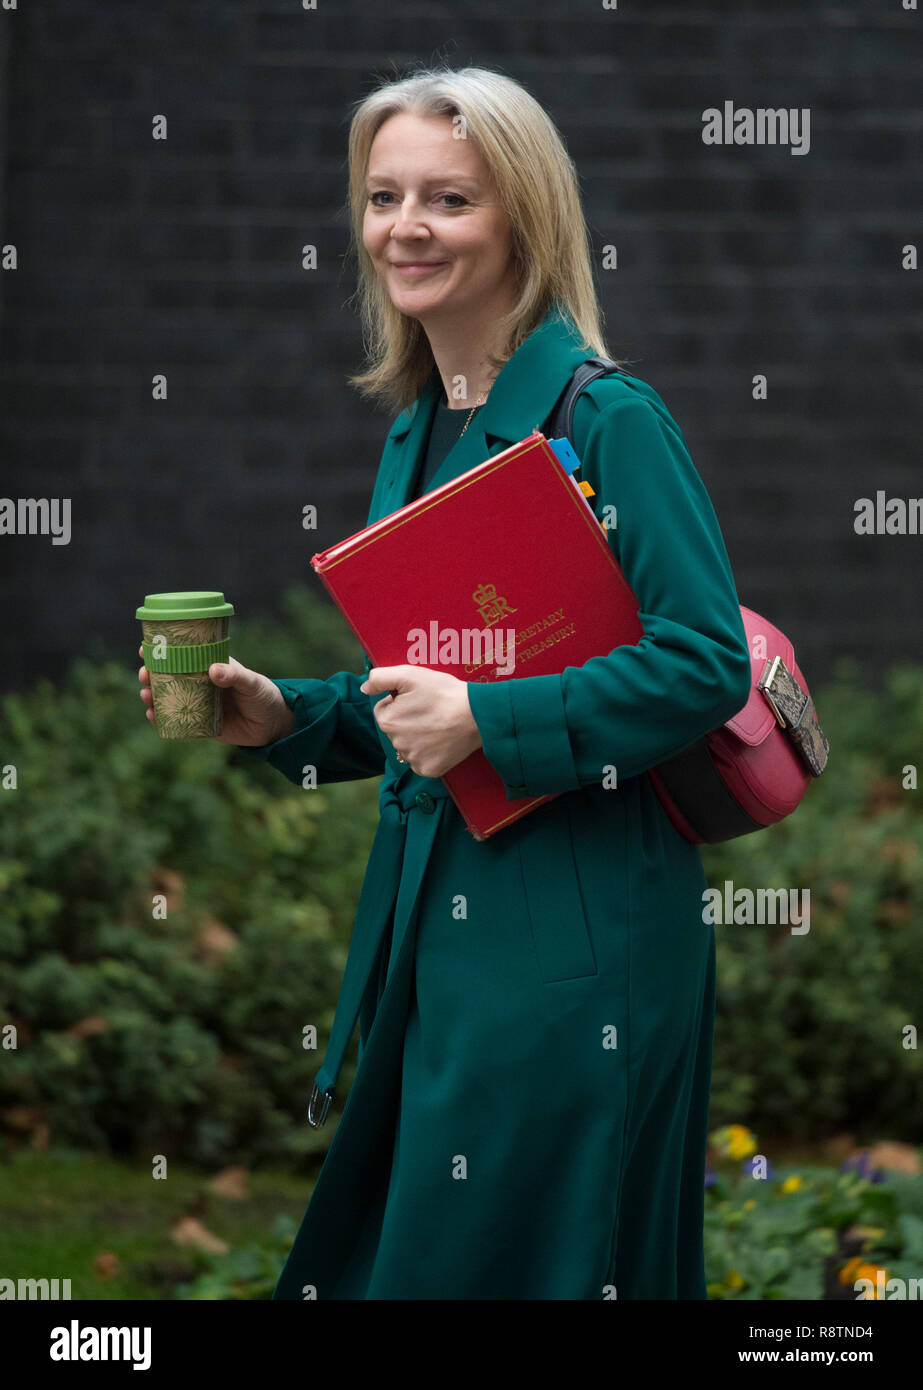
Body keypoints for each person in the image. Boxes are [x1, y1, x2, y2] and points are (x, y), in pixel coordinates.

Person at [138, 64, 752, 1300]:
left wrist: (485, 717)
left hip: (575, 937)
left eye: (449, 199)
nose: (404, 227)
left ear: (522, 220)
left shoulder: (608, 416)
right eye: (382, 195)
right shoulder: (417, 425)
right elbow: (427, 689)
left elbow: (702, 663)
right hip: (441, 935)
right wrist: (289, 717)